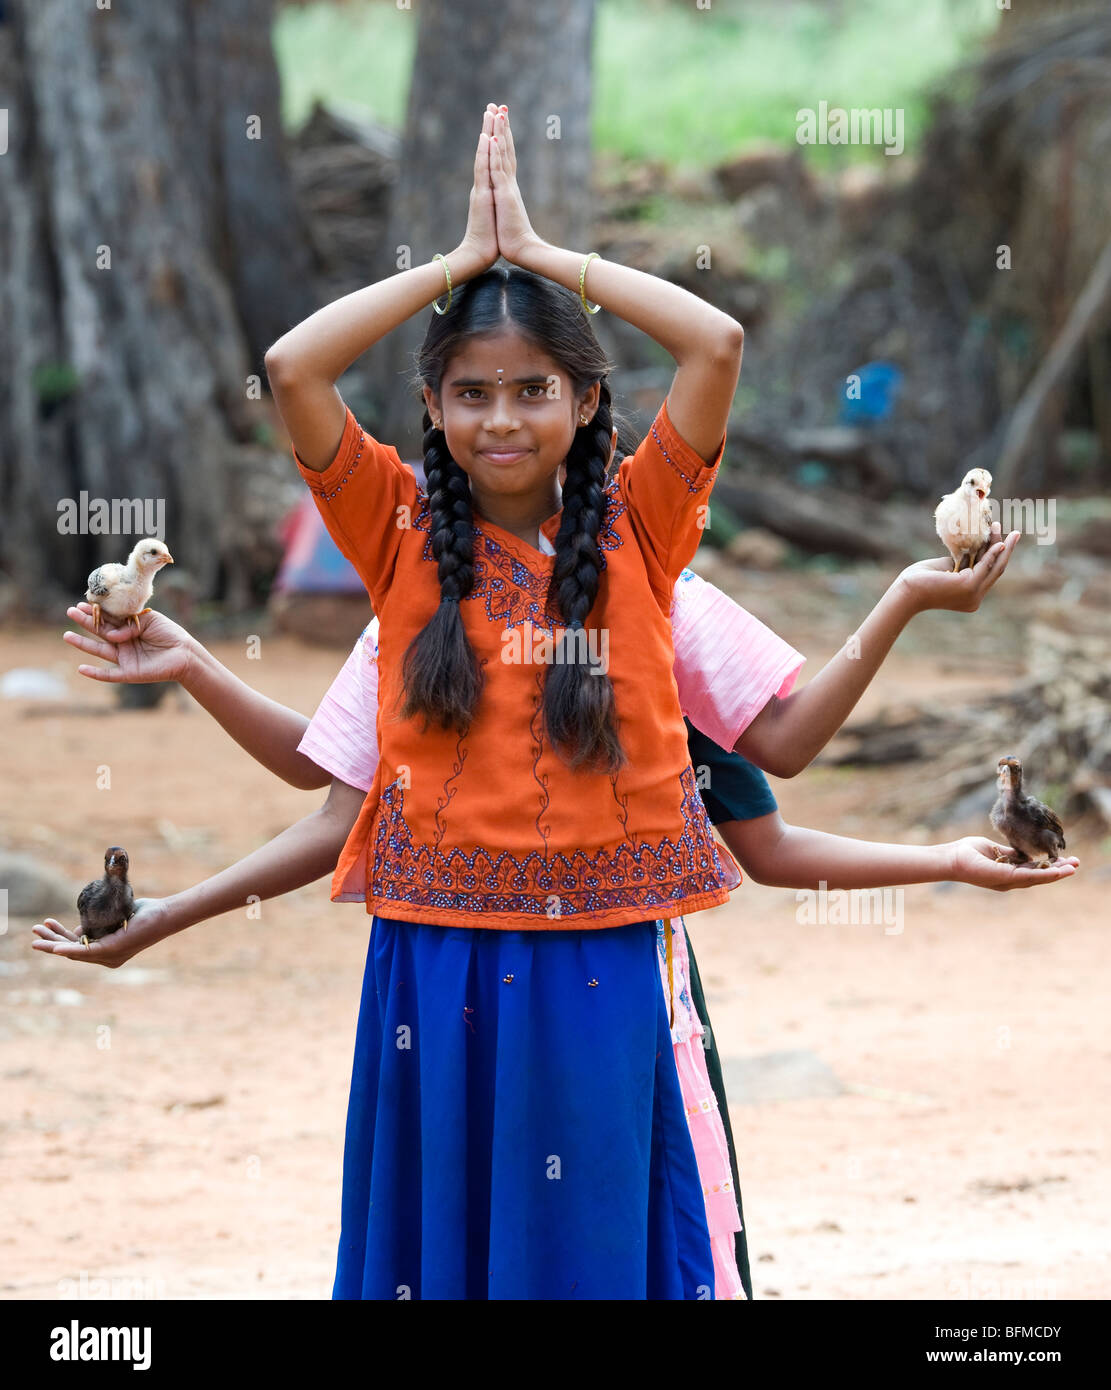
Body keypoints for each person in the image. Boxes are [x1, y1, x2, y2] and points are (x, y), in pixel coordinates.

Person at [35, 103, 1078, 1300]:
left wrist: (542, 256)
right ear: (430, 409)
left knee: (584, 1264)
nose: (500, 418)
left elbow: (717, 344)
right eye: (469, 393)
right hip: (431, 972)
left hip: (602, 974)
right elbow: (292, 371)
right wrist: (456, 264)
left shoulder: (645, 533)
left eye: (534, 389)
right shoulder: (399, 541)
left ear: (586, 403)